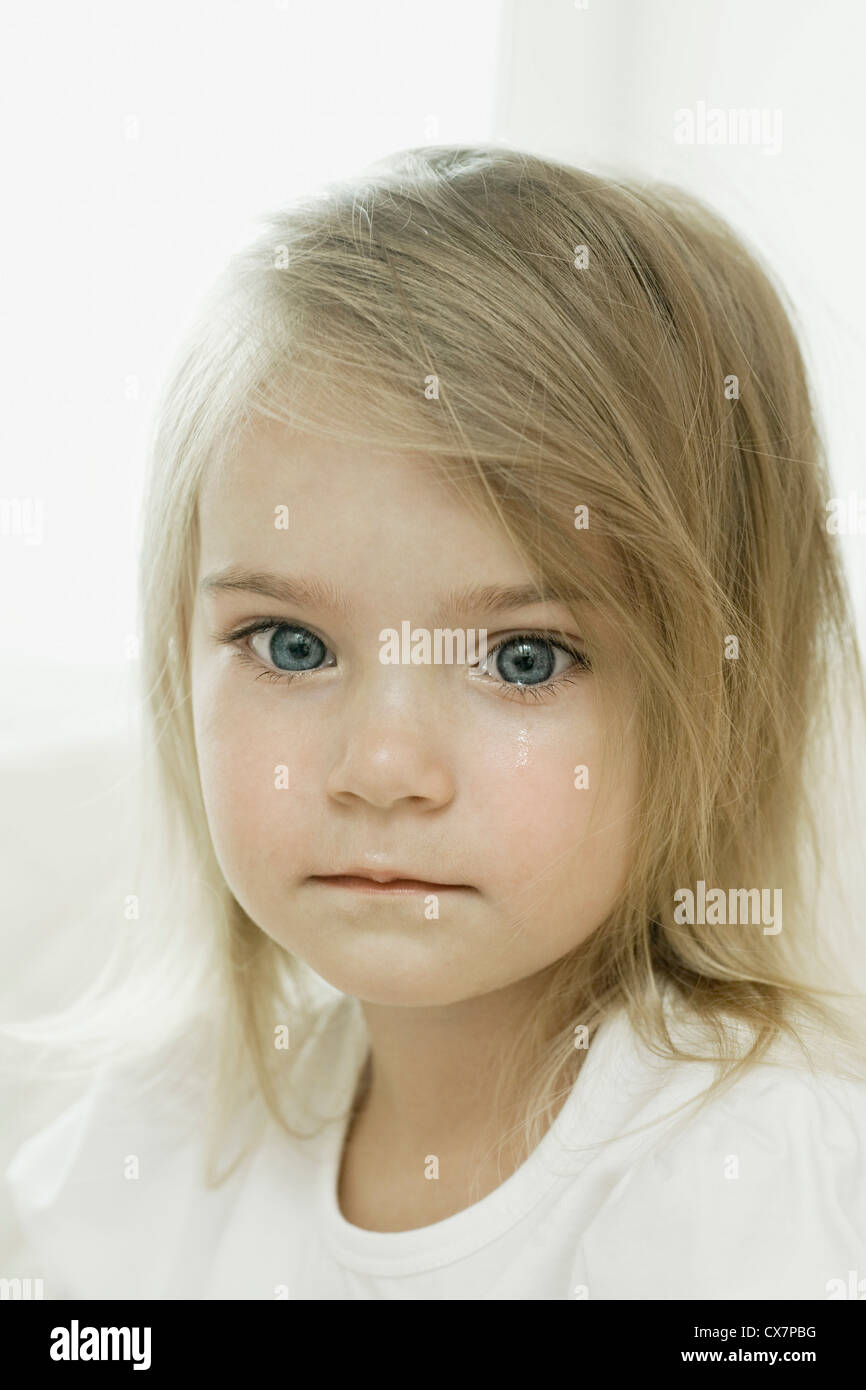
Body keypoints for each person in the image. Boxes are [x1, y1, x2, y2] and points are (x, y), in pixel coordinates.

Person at [3, 144, 865, 1300]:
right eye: (290, 646)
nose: (380, 768)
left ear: (719, 701)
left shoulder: (741, 1180)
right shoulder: (158, 1140)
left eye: (522, 659)